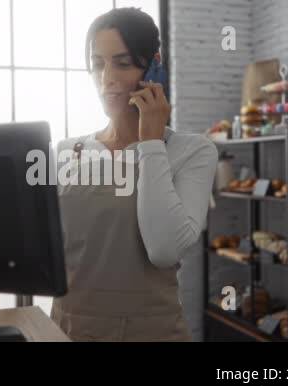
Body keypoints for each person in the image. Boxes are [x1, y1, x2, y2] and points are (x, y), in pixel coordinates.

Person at [51, 7, 218, 342]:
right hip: (69, 330)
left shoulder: (193, 151)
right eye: (98, 63)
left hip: (153, 332)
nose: (106, 78)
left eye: (122, 63)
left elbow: (164, 249)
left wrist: (151, 142)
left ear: (153, 66)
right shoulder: (69, 150)